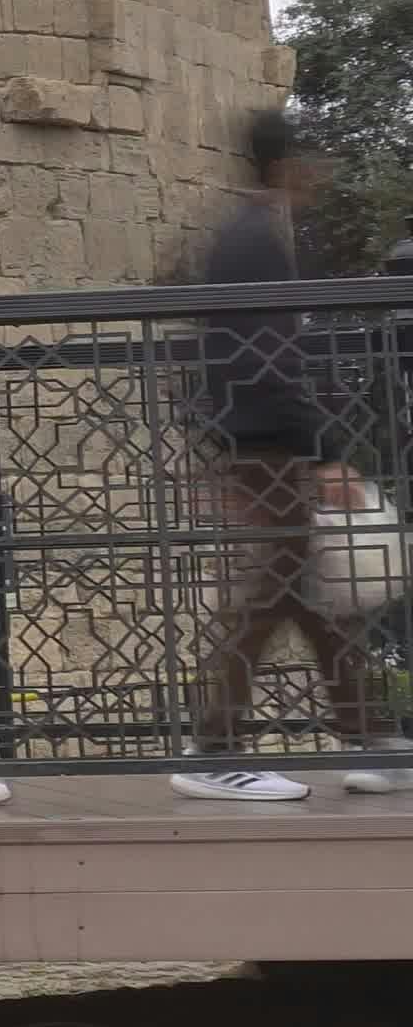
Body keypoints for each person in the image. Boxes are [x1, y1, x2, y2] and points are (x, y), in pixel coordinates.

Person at [177, 111, 409, 800]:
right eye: (314, 158)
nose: (323, 172)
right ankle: (213, 751)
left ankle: (374, 737)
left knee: (306, 601)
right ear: (287, 165)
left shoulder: (248, 235)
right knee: (270, 601)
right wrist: (323, 452)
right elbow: (265, 357)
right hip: (269, 447)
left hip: (259, 443)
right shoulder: (255, 241)